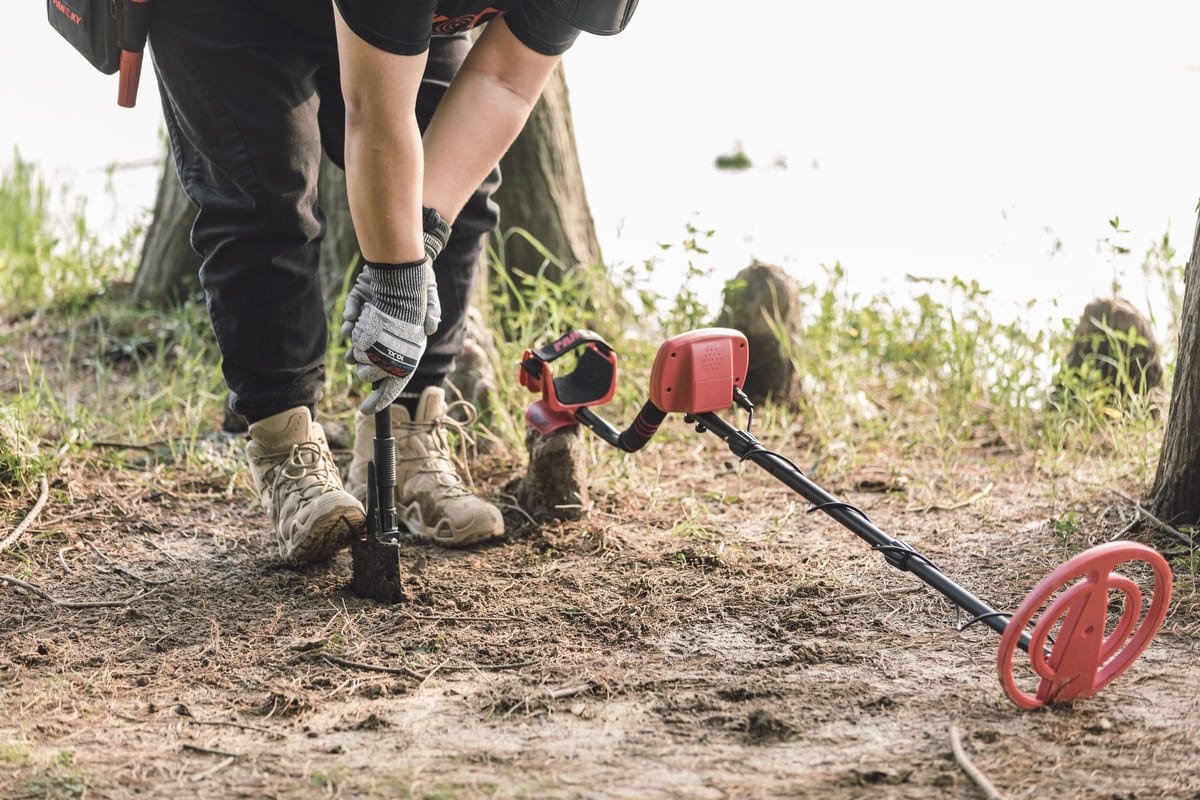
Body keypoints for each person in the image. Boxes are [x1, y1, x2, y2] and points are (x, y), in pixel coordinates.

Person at [146, 0, 639, 565]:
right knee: (267, 200)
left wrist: (421, 240)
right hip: (232, 15)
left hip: (397, 18)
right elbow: (375, 113)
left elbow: (505, 82)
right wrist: (398, 279)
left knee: (457, 189)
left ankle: (405, 446)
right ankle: (287, 454)